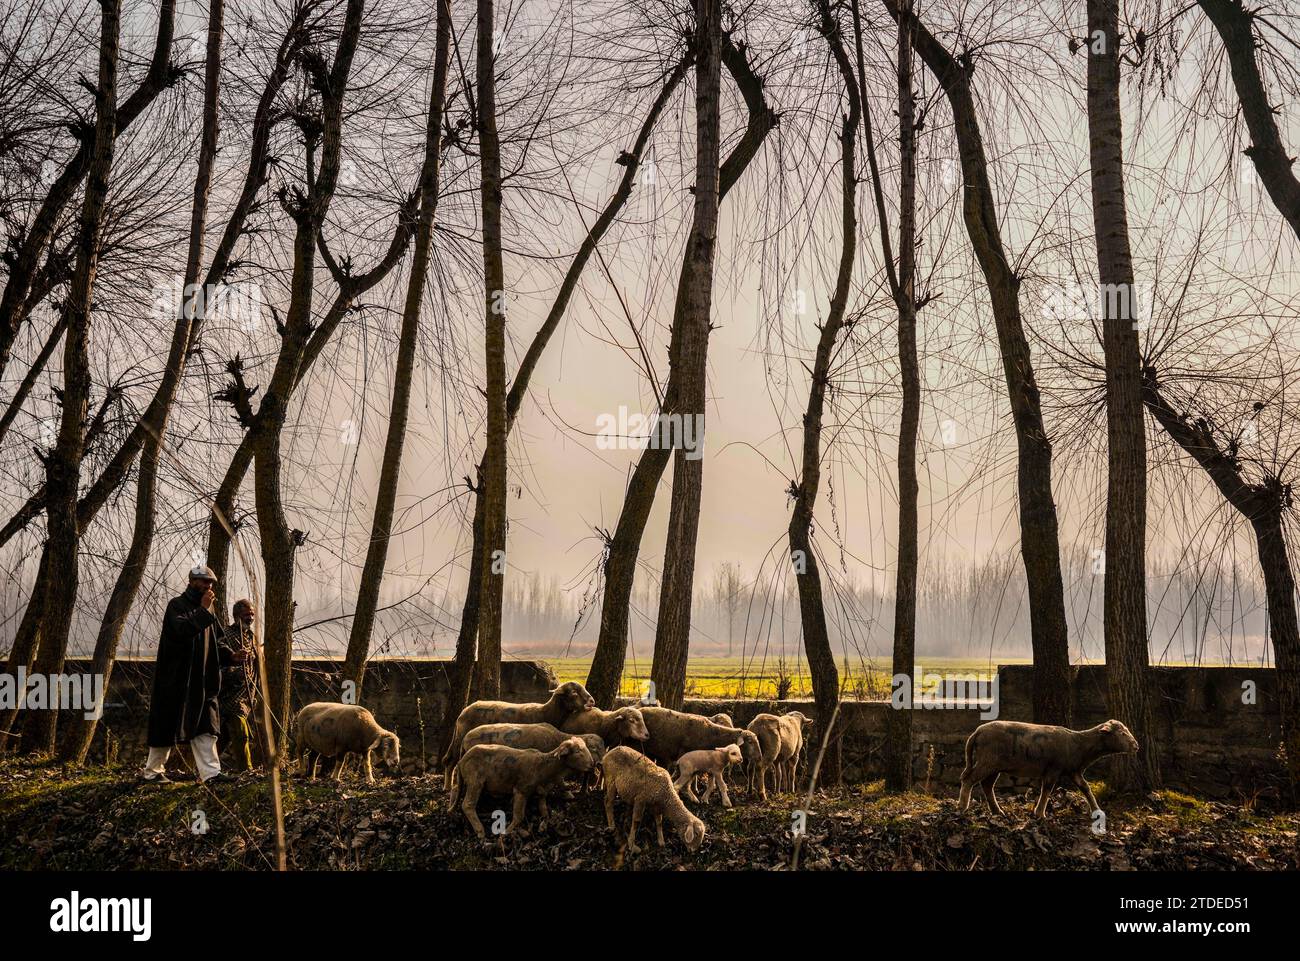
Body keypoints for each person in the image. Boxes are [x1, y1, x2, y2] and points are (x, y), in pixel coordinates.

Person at [141, 564, 228, 784]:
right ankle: (153, 772)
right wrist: (203, 610)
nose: (208, 586)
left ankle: (211, 774)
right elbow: (182, 631)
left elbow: (216, 642)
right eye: (204, 582)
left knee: (206, 727)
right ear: (192, 582)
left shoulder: (208, 610)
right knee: (166, 726)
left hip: (201, 682)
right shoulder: (176, 606)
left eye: (210, 583)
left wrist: (232, 656)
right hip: (176, 681)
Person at [216, 598, 260, 772]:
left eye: (252, 614)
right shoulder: (225, 635)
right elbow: (216, 666)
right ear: (236, 616)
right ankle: (246, 770)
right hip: (229, 695)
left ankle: (204, 769)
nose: (250, 618)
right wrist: (235, 669)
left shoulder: (251, 636)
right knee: (241, 732)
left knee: (225, 736)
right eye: (246, 614)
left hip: (247, 694)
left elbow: (255, 665)